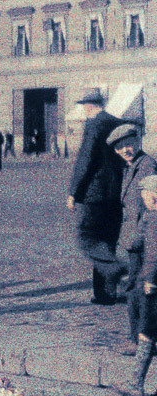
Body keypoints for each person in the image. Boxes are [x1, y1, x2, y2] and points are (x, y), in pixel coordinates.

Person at [68, 88, 126, 305]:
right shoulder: (116, 122)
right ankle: (106, 293)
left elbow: (86, 159)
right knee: (108, 241)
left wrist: (74, 192)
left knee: (88, 237)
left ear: (88, 106)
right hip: (115, 192)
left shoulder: (93, 125)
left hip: (94, 193)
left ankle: (117, 276)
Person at [110, 124, 156, 354]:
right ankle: (140, 338)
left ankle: (139, 341)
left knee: (138, 290)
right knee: (136, 289)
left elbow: (152, 205)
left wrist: (142, 237)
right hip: (134, 238)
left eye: (128, 144)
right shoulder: (131, 166)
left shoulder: (146, 166)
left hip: (142, 239)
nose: (125, 150)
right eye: (120, 147)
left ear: (138, 141)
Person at [118, 176, 157, 396]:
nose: (143, 199)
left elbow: (153, 254)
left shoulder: (154, 218)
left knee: (146, 331)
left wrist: (149, 279)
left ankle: (135, 385)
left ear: (152, 195)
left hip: (153, 285)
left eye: (144, 194)